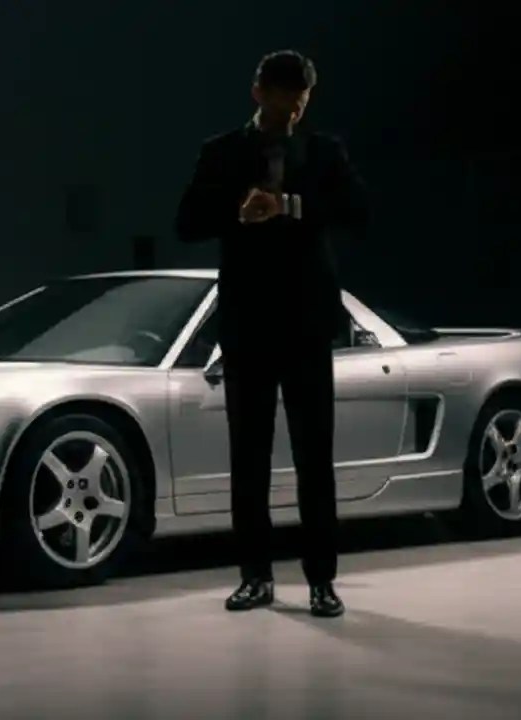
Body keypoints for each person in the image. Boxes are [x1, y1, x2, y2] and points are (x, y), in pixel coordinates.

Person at [174, 49, 369, 617]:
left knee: (316, 458)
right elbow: (185, 223)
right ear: (259, 92)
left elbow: (360, 212)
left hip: (308, 325)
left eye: (302, 104)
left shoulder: (325, 152)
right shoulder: (221, 153)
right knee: (248, 458)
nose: (293, 114)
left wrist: (287, 204)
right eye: (286, 103)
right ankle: (254, 577)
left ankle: (321, 583)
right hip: (248, 326)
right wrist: (239, 210)